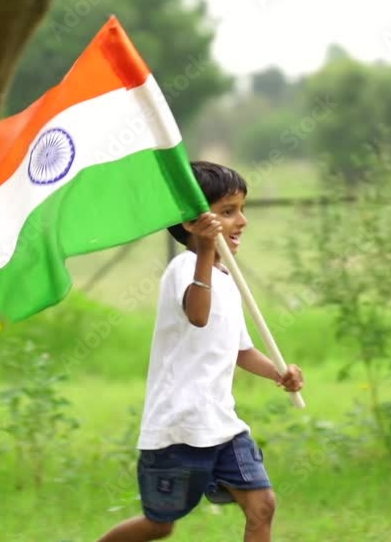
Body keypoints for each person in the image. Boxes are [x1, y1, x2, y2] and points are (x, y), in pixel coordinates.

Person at [98, 161, 305, 542]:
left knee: (263, 505)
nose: (241, 221)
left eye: (242, 209)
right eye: (228, 212)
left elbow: (241, 350)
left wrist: (280, 372)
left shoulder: (228, 279)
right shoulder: (186, 268)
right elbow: (197, 315)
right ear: (193, 223)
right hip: (179, 429)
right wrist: (208, 252)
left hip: (222, 425)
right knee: (160, 525)